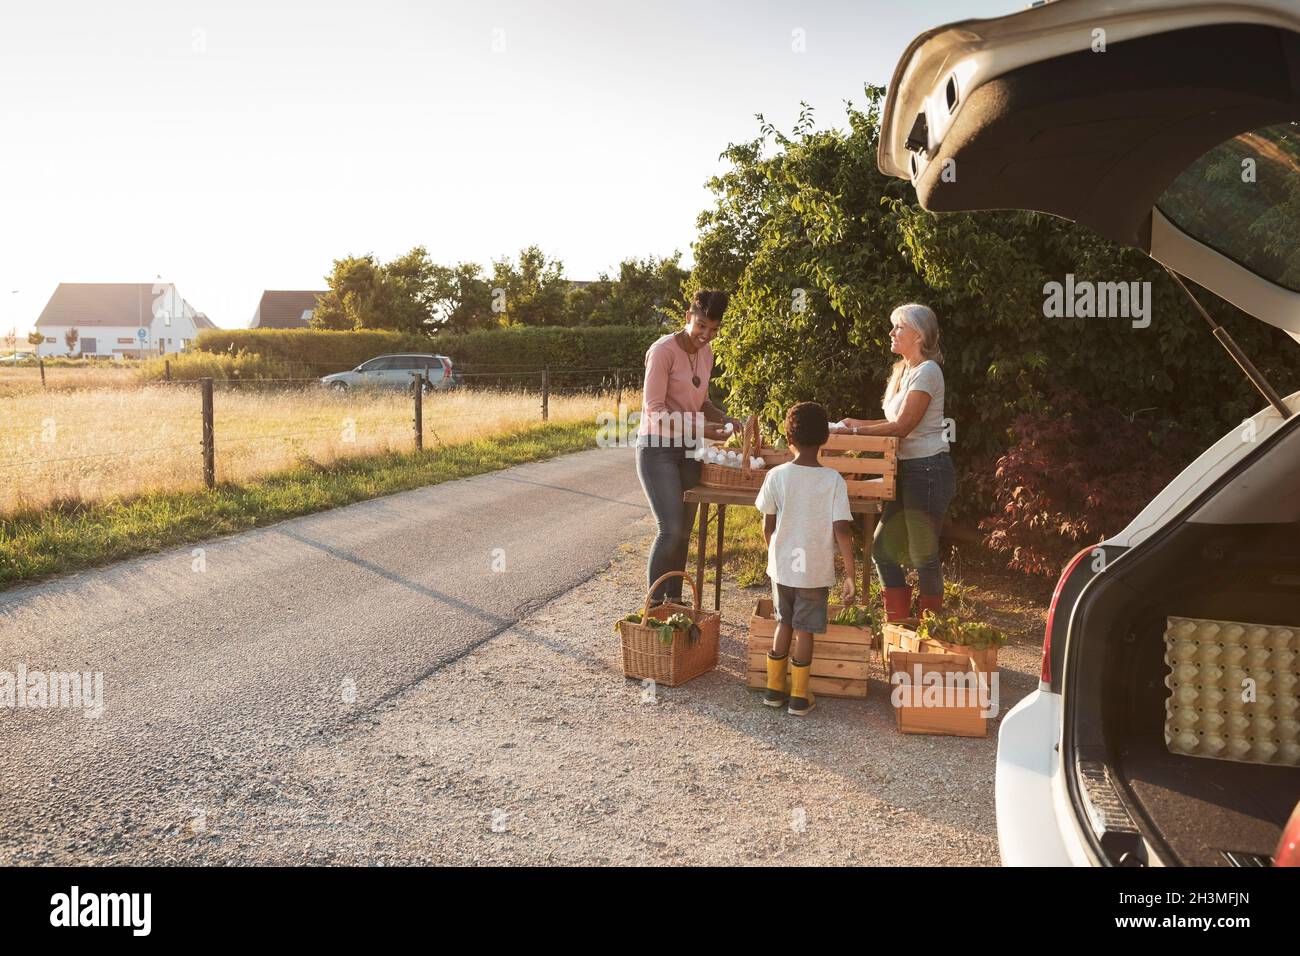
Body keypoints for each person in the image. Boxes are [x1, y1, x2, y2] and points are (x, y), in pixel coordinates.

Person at [837, 303, 955, 622]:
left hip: (929, 470)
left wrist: (858, 431)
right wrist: (853, 423)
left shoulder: (928, 371)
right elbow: (892, 420)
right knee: (882, 551)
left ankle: (931, 632)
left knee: (922, 556)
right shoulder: (903, 371)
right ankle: (899, 626)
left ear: (918, 334)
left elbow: (903, 427)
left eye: (898, 327)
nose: (891, 333)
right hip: (905, 470)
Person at [634, 290, 744, 606]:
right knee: (670, 528)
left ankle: (674, 602)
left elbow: (702, 401)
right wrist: (700, 427)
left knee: (684, 531)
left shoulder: (706, 354)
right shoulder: (662, 352)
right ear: (687, 318)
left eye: (713, 329)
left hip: (690, 450)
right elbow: (653, 410)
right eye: (701, 326)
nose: (706, 336)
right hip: (657, 448)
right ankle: (653, 608)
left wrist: (723, 418)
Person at [754, 402, 856, 716]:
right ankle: (799, 695)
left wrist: (776, 554)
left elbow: (767, 526)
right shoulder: (833, 481)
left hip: (783, 568)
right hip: (814, 570)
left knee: (783, 622)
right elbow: (842, 531)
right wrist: (850, 573)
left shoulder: (776, 475)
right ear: (825, 438)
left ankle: (773, 690)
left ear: (789, 438)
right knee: (805, 629)